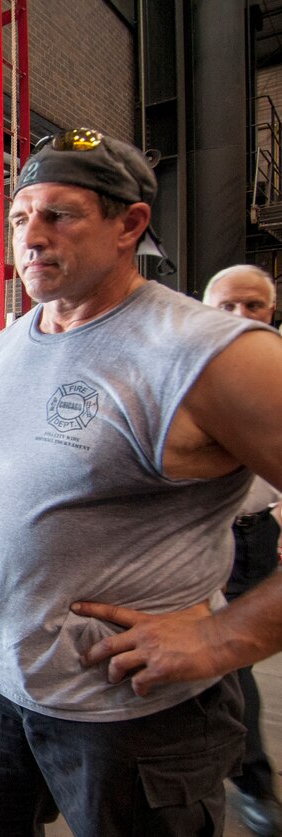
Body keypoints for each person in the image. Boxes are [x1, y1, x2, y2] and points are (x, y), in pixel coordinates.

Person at [0, 128, 282, 835]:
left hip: (126, 715)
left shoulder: (204, 352)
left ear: (130, 224)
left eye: (59, 214)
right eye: (19, 216)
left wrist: (223, 640)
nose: (30, 236)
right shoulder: (5, 345)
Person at [202, 265, 281, 835]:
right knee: (220, 663)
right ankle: (243, 776)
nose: (241, 318)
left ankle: (247, 778)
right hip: (197, 534)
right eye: (227, 306)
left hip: (254, 533)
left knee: (232, 659)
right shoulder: (184, 368)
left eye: (254, 306)